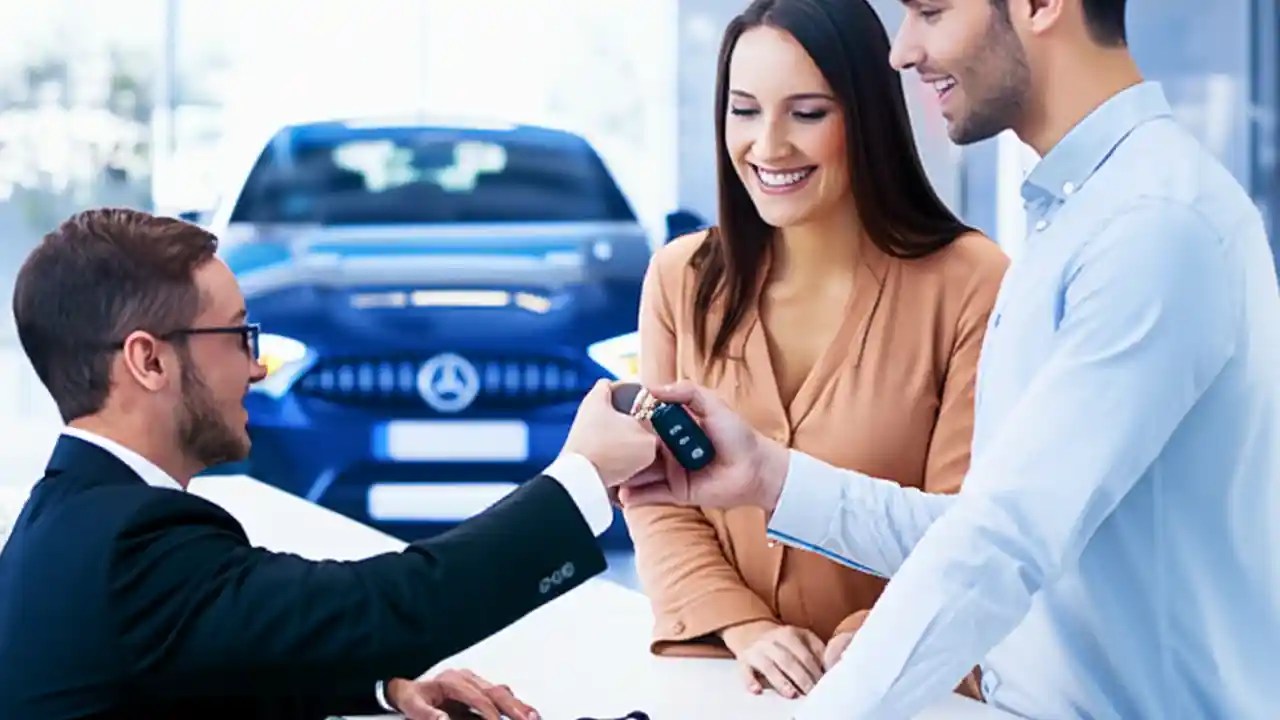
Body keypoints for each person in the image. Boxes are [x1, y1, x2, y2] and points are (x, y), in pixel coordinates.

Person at [622, 0, 1280, 717]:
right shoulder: (1078, 217)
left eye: (931, 11)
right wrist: (769, 477)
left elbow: (1003, 542)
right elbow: (975, 524)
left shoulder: (1154, 227)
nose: (903, 52)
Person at [0, 208, 660, 720]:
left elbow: (193, 677)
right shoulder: (133, 547)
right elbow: (397, 603)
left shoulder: (66, 520)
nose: (257, 367)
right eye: (238, 335)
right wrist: (585, 473)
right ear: (149, 361)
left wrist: (385, 686)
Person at [622, 0, 1008, 700]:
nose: (768, 147)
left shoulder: (973, 284)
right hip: (725, 689)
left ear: (866, 119)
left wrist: (878, 636)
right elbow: (658, 499)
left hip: (906, 689)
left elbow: (971, 524)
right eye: (744, 110)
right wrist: (747, 630)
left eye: (806, 113)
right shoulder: (680, 280)